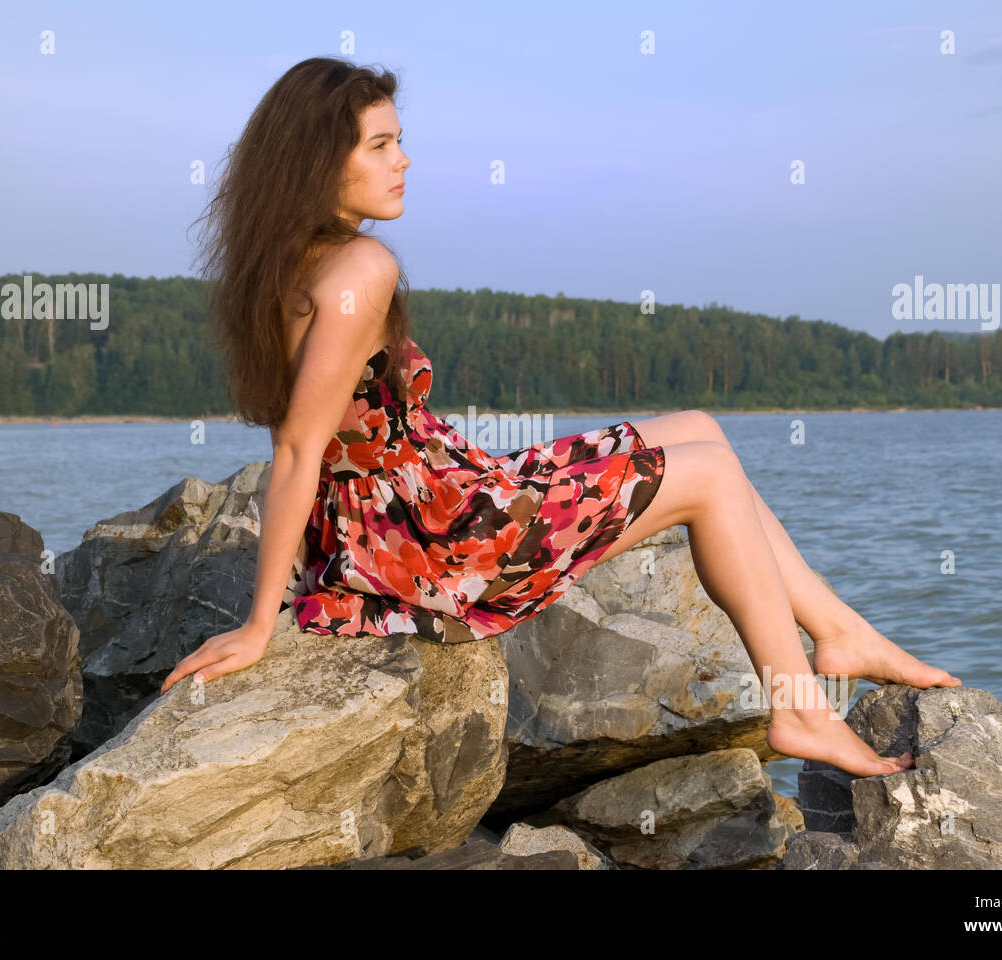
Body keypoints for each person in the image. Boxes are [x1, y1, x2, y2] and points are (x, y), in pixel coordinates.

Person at [161, 56, 961, 778]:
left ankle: (836, 629)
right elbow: (300, 446)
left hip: (423, 510)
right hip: (439, 540)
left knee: (700, 429)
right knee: (710, 476)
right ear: (316, 160)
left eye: (399, 141)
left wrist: (320, 564)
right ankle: (799, 710)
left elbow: (299, 439)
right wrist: (263, 621)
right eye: (380, 145)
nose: (404, 161)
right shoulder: (361, 268)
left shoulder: (286, 261)